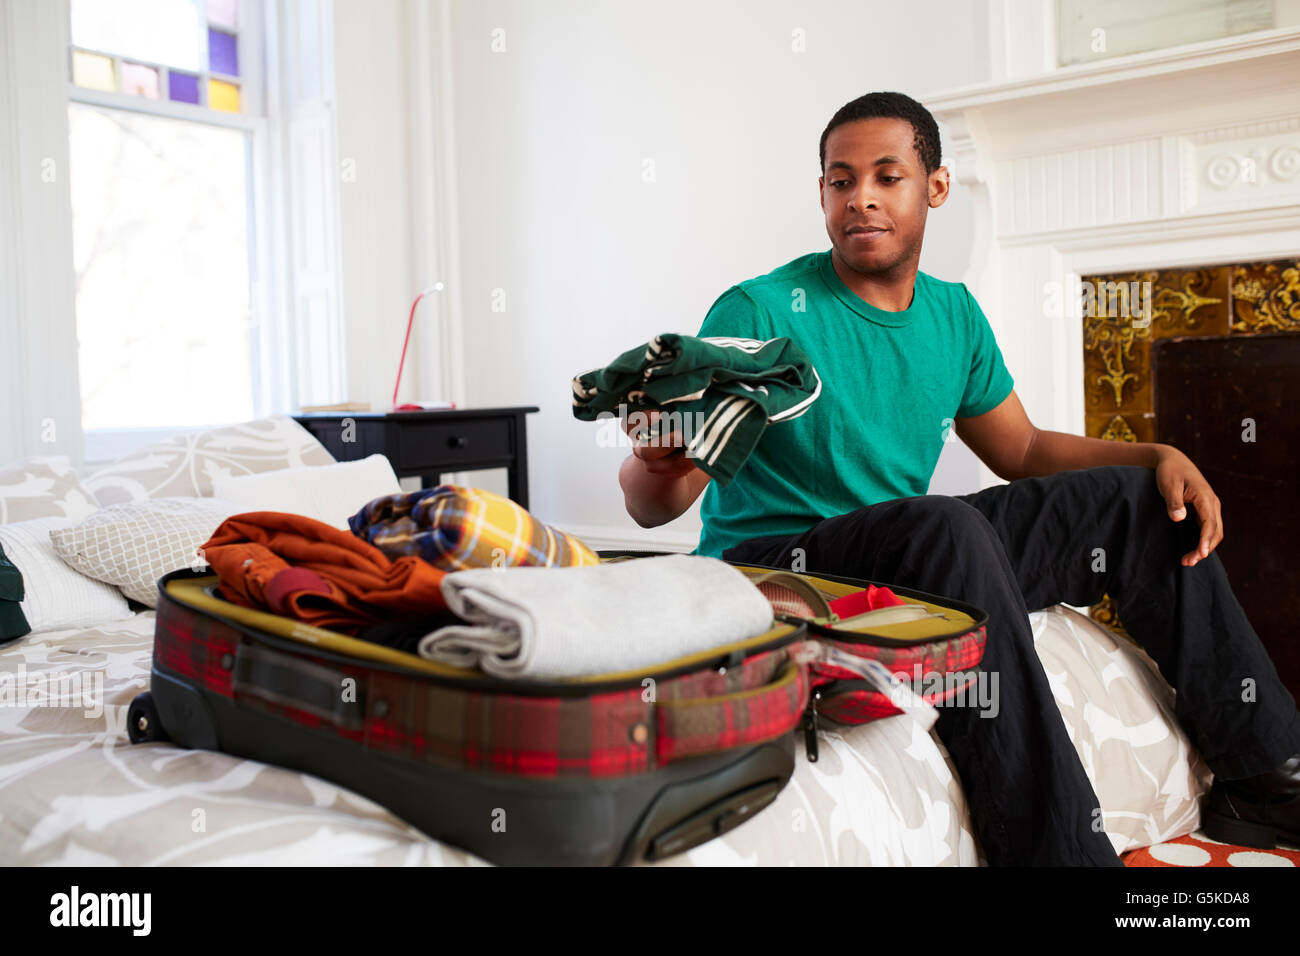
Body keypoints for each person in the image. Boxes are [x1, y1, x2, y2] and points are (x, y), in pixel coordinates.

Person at [615, 91, 1300, 866]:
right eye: (840, 181)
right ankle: (1059, 853)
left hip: (910, 553)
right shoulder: (761, 307)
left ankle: (1263, 777)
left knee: (1139, 503)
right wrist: (654, 461)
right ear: (822, 196)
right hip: (780, 567)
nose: (861, 198)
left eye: (886, 176)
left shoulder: (955, 314)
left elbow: (1026, 450)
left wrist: (1153, 457)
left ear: (935, 186)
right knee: (943, 523)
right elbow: (651, 507)